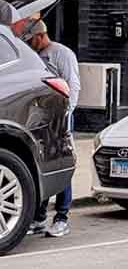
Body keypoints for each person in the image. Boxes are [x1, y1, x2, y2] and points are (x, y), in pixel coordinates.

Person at [25, 20, 80, 238]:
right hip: (41, 118)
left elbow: (73, 85)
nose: (29, 45)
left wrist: (67, 113)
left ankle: (61, 218)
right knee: (43, 165)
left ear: (39, 36)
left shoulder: (62, 54)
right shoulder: (35, 57)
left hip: (60, 117)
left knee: (60, 164)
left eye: (31, 41)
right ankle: (39, 218)